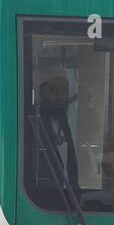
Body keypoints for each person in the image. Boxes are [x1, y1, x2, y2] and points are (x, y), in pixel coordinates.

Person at [28, 72, 80, 203]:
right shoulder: (32, 122)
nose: (60, 96)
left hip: (67, 200)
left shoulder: (63, 121)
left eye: (64, 90)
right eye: (53, 90)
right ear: (42, 92)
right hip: (43, 201)